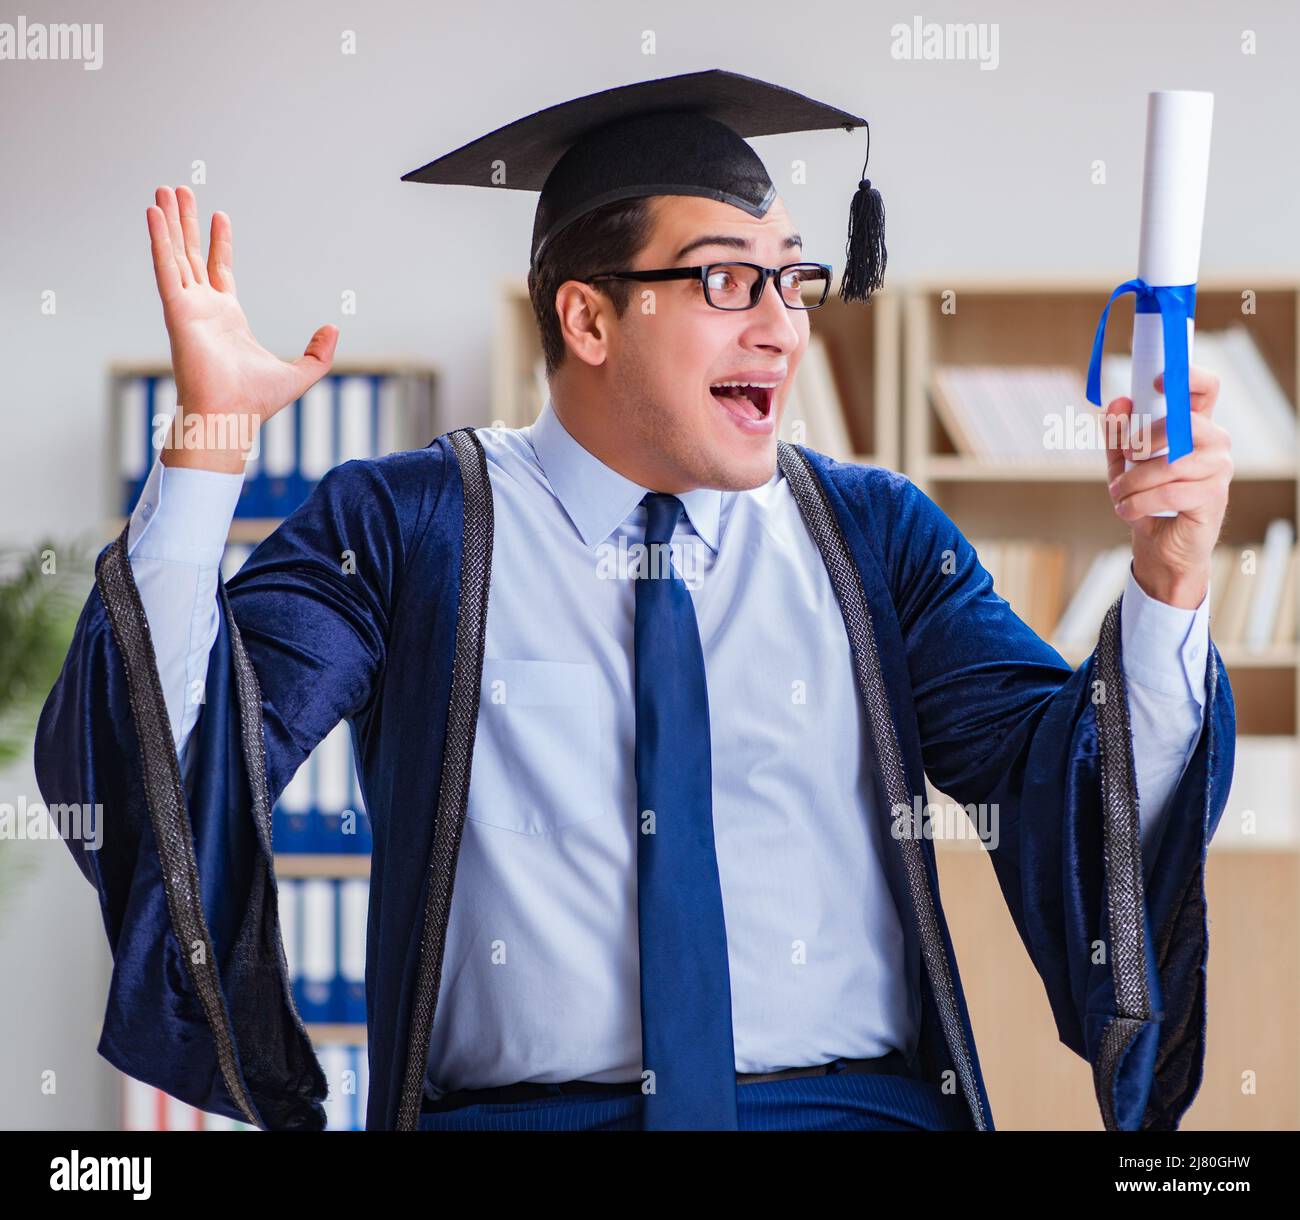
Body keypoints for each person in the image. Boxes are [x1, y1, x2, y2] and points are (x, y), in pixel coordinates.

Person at [36, 70, 1234, 1132]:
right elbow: (167, 763)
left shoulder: (874, 536)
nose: (781, 325)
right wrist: (204, 450)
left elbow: (1077, 790)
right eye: (726, 278)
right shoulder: (405, 528)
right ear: (590, 316)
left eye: (795, 278)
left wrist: (1170, 580)